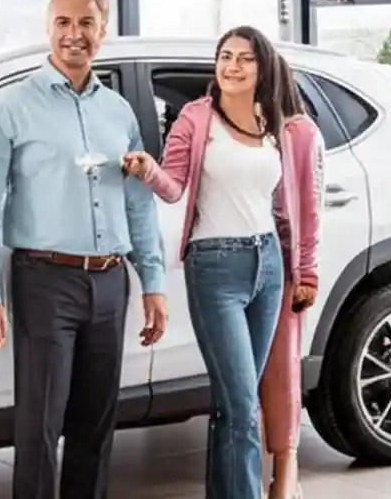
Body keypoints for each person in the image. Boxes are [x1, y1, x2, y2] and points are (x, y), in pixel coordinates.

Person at [0, 0, 168, 499]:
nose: (74, 34)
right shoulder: (10, 107)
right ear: (49, 28)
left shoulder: (118, 112)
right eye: (63, 23)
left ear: (103, 31)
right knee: (39, 427)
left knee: (96, 429)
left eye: (86, 24)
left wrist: (153, 281)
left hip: (110, 282)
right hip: (45, 280)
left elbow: (138, 200)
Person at [122, 27, 322, 499]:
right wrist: (147, 169)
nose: (232, 66)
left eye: (244, 58)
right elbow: (173, 185)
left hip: (268, 264)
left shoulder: (276, 124)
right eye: (225, 56)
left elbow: (298, 205)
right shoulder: (196, 118)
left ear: (262, 67)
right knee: (238, 403)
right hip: (216, 269)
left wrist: (305, 270)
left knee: (238, 404)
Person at [260, 53, 322, 499]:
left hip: (281, 267)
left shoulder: (299, 132)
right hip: (231, 266)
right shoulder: (226, 129)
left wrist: (307, 273)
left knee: (282, 372)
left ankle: (286, 472)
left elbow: (310, 206)